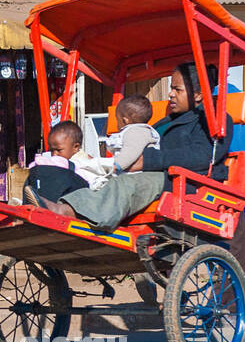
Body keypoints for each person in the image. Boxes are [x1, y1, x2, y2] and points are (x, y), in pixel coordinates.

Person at [33, 62, 227, 231]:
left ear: (199, 95)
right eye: (170, 88)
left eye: (177, 90)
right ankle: (61, 205)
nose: (170, 94)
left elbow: (203, 156)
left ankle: (66, 211)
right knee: (94, 178)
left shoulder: (212, 118)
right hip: (149, 174)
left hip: (179, 181)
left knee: (126, 184)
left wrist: (147, 161)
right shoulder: (165, 121)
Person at [22, 121, 93, 204]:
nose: (54, 154)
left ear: (76, 147)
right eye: (51, 150)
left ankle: (36, 203)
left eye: (59, 150)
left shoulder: (80, 161)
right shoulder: (51, 161)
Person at [106, 94, 161, 172]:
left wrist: (116, 165)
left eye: (117, 119)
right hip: (129, 174)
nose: (117, 123)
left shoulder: (137, 132)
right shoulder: (137, 131)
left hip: (138, 176)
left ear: (125, 120)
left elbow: (131, 152)